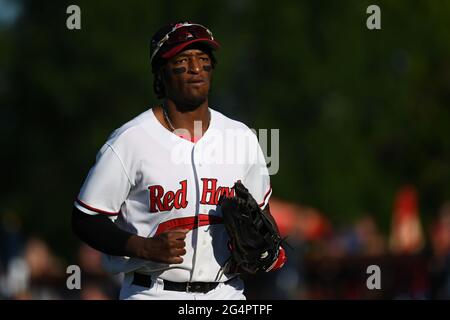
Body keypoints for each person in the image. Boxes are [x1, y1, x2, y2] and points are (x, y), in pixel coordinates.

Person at [72, 21, 286, 300]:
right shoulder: (130, 140)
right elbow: (85, 219)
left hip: (226, 293)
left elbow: (262, 211)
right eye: (183, 60)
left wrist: (260, 245)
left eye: (203, 59)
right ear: (161, 73)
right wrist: (143, 247)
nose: (196, 68)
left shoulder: (241, 137)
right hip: (152, 292)